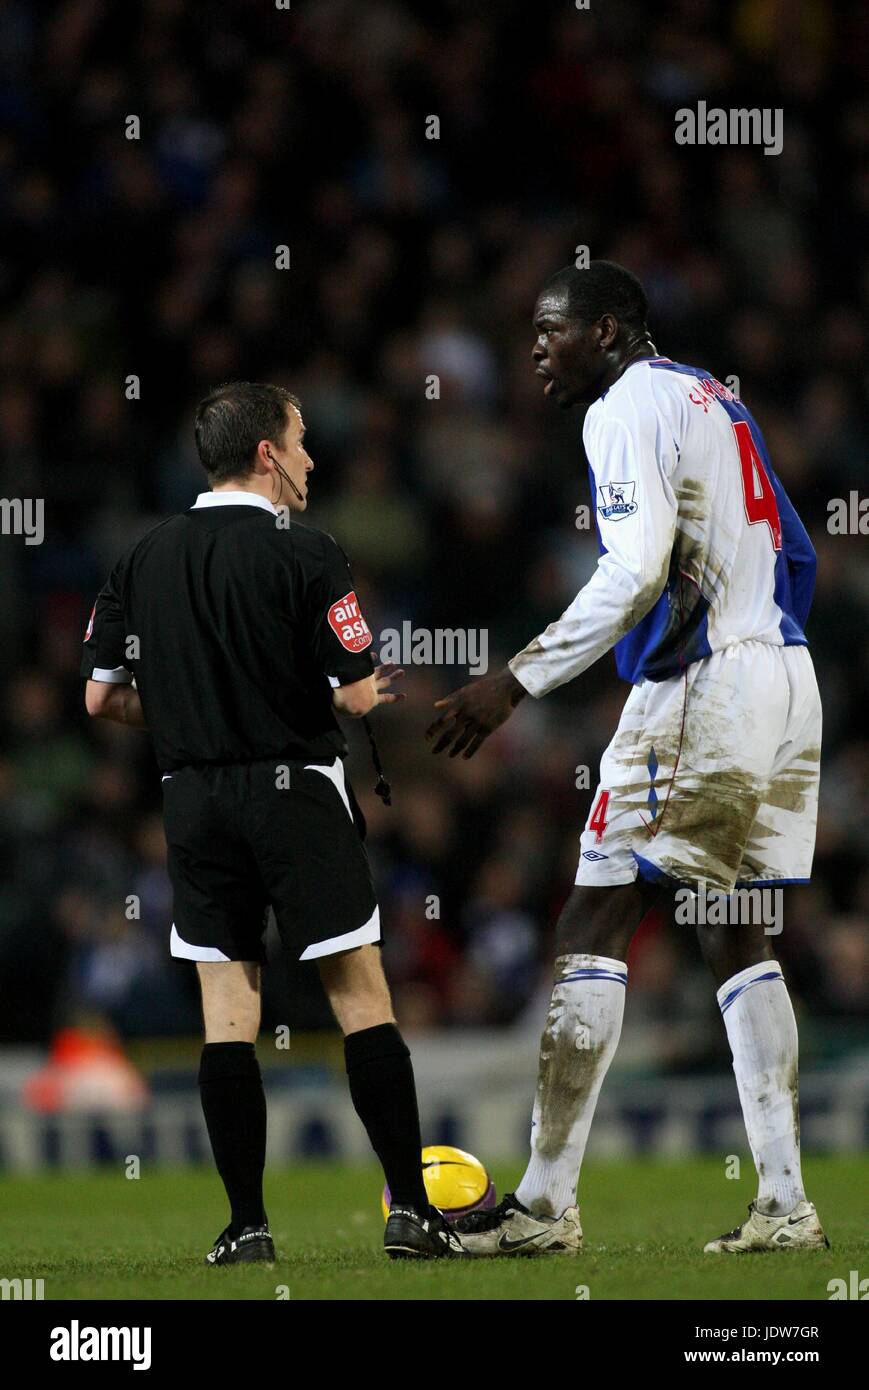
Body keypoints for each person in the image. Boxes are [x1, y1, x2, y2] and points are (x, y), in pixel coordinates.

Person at [427, 261, 828, 1256]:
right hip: (783, 670)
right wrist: (757, 641)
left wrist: (513, 680)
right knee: (734, 930)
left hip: (706, 683)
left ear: (604, 331)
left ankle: (542, 1207)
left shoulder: (620, 408)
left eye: (550, 329)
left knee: (594, 910)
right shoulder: (712, 398)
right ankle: (783, 1201)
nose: (534, 348)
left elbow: (636, 567)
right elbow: (797, 548)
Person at [82, 381, 462, 1262]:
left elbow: (101, 699)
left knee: (227, 1013)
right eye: (299, 441)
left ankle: (246, 1227)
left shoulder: (140, 555)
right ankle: (411, 1213)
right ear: (266, 454)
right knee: (359, 996)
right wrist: (347, 692)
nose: (310, 459)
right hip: (295, 792)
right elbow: (355, 694)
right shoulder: (308, 550)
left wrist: (194, 713)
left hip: (193, 799)